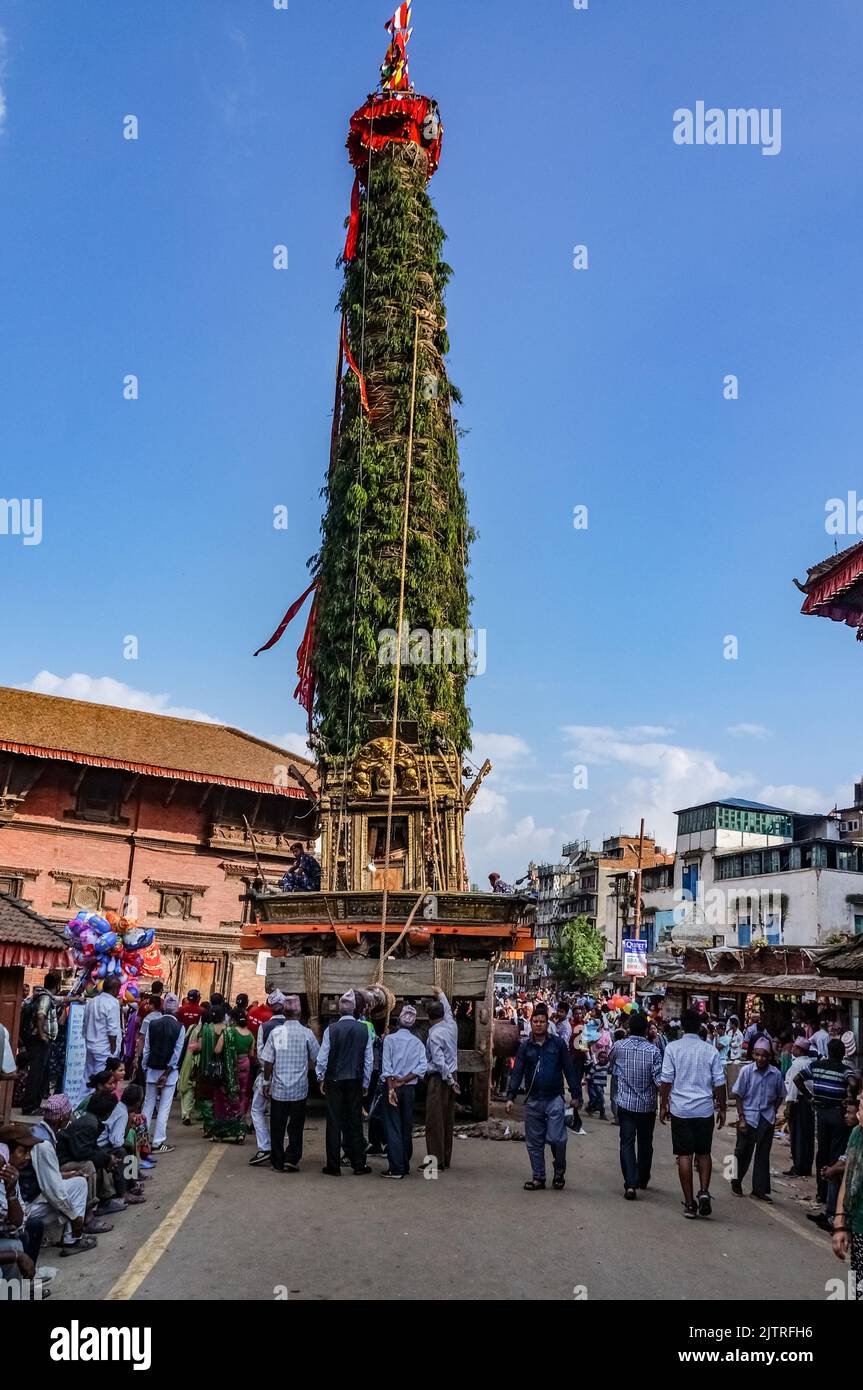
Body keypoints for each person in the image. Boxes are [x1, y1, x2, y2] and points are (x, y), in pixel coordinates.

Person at [660, 1007, 727, 1219]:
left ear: (681, 1025)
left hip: (681, 1109)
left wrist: (663, 1105)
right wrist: (723, 1108)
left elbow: (666, 1081)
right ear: (700, 1027)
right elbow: (720, 1082)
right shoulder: (710, 1051)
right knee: (704, 1152)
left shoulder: (673, 1048)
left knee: (684, 1155)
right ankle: (704, 1191)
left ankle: (689, 1203)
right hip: (704, 1109)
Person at [505, 1002, 579, 1191]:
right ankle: (538, 1177)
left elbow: (569, 1070)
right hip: (533, 1100)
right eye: (535, 1021)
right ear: (531, 1023)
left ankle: (559, 1171)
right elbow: (518, 1071)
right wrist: (511, 1096)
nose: (538, 1024)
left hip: (554, 1098)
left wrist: (576, 1094)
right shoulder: (525, 1047)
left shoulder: (558, 1044)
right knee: (534, 1142)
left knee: (557, 1139)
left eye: (542, 1021)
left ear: (547, 1024)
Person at [316, 991, 374, 1176]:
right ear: (355, 1010)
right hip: (355, 1080)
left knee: (334, 1121)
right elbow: (368, 1060)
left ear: (339, 1011)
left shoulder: (331, 1030)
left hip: (334, 1080)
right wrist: (365, 1083)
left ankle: (333, 1165)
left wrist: (320, 1077)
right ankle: (358, 1164)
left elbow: (322, 1058)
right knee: (355, 1121)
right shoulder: (364, 1029)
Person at [260, 995, 319, 1173]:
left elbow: (269, 1061)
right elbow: (317, 1058)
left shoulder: (277, 1033)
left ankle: (277, 1161)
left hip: (279, 1088)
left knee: (277, 1126)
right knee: (295, 1126)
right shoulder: (306, 1033)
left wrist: (266, 1081)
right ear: (300, 1013)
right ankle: (292, 1158)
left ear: (284, 1012)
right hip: (299, 1089)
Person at [610, 1009, 662, 1199]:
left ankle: (630, 1184)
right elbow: (658, 1081)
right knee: (645, 1142)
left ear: (629, 1028)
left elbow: (610, 1060)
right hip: (647, 1105)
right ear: (647, 1030)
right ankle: (642, 1177)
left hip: (625, 1103)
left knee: (627, 1142)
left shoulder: (619, 1046)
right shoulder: (654, 1051)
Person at [795, 1038, 851, 1208]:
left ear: (828, 1051)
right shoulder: (844, 1069)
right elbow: (854, 1082)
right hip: (837, 1113)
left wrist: (810, 1096)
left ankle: (821, 1192)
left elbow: (798, 1079)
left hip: (822, 1112)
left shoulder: (817, 1066)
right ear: (842, 1054)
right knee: (836, 1153)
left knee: (822, 1152)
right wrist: (849, 1098)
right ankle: (832, 1196)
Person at [730, 1040, 785, 1201]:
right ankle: (735, 1180)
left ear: (769, 1057)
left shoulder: (775, 1074)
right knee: (741, 1151)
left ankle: (759, 1190)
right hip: (748, 1116)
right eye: (758, 1055)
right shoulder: (746, 1071)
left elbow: (781, 1095)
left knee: (762, 1155)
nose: (760, 1059)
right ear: (753, 1055)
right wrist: (741, 1118)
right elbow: (738, 1096)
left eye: (764, 1056)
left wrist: (773, 1112)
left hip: (765, 1118)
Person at [381, 1005, 428, 1179]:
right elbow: (422, 1066)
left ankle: (396, 1168)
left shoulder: (389, 1040)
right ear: (414, 1024)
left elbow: (386, 1067)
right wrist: (405, 1080)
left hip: (392, 1087)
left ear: (398, 1020)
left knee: (393, 1127)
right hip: (408, 1089)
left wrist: (392, 1087)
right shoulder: (417, 1043)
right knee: (406, 1126)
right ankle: (405, 1163)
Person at [142, 992, 186, 1154]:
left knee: (148, 1104)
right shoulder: (180, 1028)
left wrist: (145, 1067)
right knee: (164, 1107)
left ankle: (143, 1139)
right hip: (169, 1073)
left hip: (152, 1069)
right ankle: (158, 1142)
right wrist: (166, 1074)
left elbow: (147, 1049)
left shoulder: (153, 1024)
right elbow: (177, 1053)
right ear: (177, 1009)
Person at [831, 1089, 863, 1299]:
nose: (857, 1109)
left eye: (861, 1105)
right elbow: (848, 1178)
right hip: (858, 1224)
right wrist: (840, 1223)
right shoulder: (857, 1134)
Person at [425, 985, 459, 1172]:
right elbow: (448, 1010)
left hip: (440, 1079)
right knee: (447, 1119)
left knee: (434, 1121)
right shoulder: (451, 1025)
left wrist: (450, 1082)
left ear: (428, 1017)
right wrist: (441, 993)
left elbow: (439, 1063)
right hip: (452, 1074)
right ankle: (445, 1158)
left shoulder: (435, 1035)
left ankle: (434, 1163)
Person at [21, 971, 62, 1114]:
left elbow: (60, 1000)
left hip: (38, 1042)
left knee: (39, 1073)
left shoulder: (42, 995)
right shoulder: (45, 998)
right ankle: (29, 1106)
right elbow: (40, 1015)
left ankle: (34, 1104)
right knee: (36, 1074)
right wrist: (42, 1035)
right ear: (57, 985)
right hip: (40, 1042)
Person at [784, 1038, 815, 1178]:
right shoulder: (810, 1062)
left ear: (800, 1050)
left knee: (798, 1135)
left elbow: (793, 1087)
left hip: (799, 1101)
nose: (792, 1049)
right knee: (807, 1135)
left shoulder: (798, 1064)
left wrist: (788, 1106)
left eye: (794, 1047)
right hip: (807, 1102)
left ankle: (798, 1166)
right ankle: (805, 1166)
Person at [82, 977, 122, 1083]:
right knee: (102, 1081)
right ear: (115, 989)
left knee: (88, 1079)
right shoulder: (113, 1003)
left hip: (90, 1046)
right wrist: (113, 1050)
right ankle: (96, 1099)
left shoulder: (92, 1001)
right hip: (105, 1050)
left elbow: (85, 1023)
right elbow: (112, 1031)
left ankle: (82, 1099)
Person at [178, 1000, 210, 1127]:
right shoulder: (208, 1032)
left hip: (189, 1061)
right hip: (201, 1064)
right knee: (198, 1088)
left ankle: (186, 1113)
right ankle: (199, 1112)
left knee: (188, 1088)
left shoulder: (192, 1028)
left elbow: (185, 1044)